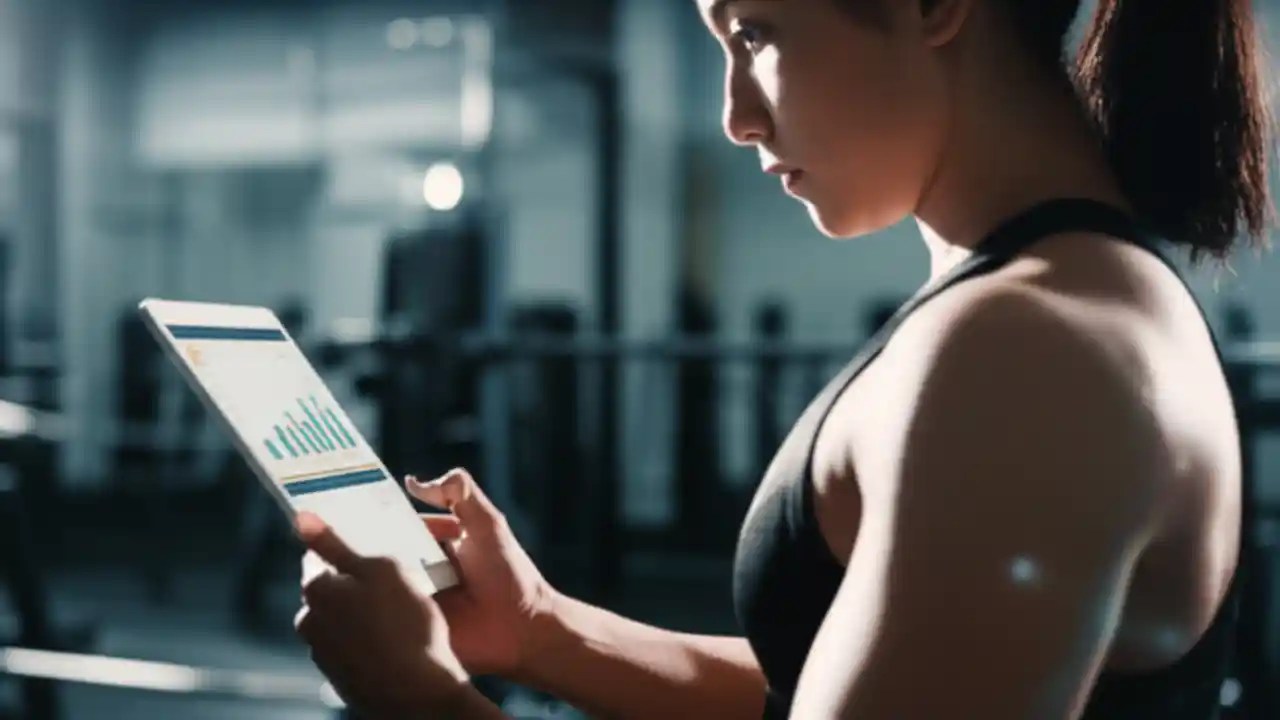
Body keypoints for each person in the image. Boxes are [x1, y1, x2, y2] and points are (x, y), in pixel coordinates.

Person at [292, 0, 1273, 717]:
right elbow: (836, 694)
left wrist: (414, 699)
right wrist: (542, 631)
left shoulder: (1031, 351)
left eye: (754, 34)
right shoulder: (1028, 308)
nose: (735, 116)